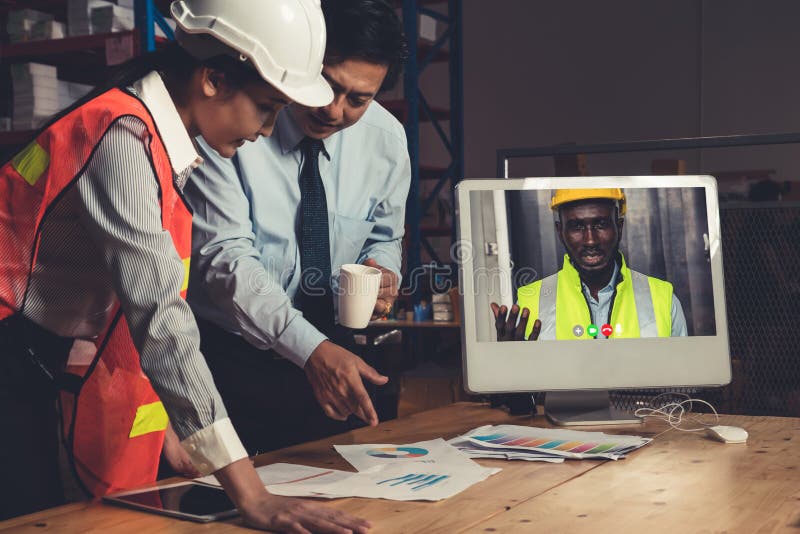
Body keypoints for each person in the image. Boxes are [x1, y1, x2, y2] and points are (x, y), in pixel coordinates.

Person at [0, 1, 371, 531]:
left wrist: (178, 428)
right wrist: (252, 494)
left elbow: (122, 302)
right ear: (214, 79)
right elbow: (160, 319)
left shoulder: (156, 140)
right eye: (266, 107)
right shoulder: (123, 139)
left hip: (38, 354)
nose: (268, 130)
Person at [185, 0, 410, 454]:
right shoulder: (231, 120)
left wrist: (382, 271)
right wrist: (310, 349)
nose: (333, 110)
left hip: (338, 354)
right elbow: (226, 260)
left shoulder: (386, 140)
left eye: (359, 99)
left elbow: (386, 236)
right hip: (234, 359)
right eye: (327, 85)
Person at [492, 188, 687, 341]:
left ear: (619, 226)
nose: (590, 240)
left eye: (600, 224)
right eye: (577, 227)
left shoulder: (663, 299)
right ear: (560, 232)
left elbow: (684, 383)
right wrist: (509, 368)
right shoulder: (528, 302)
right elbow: (528, 386)